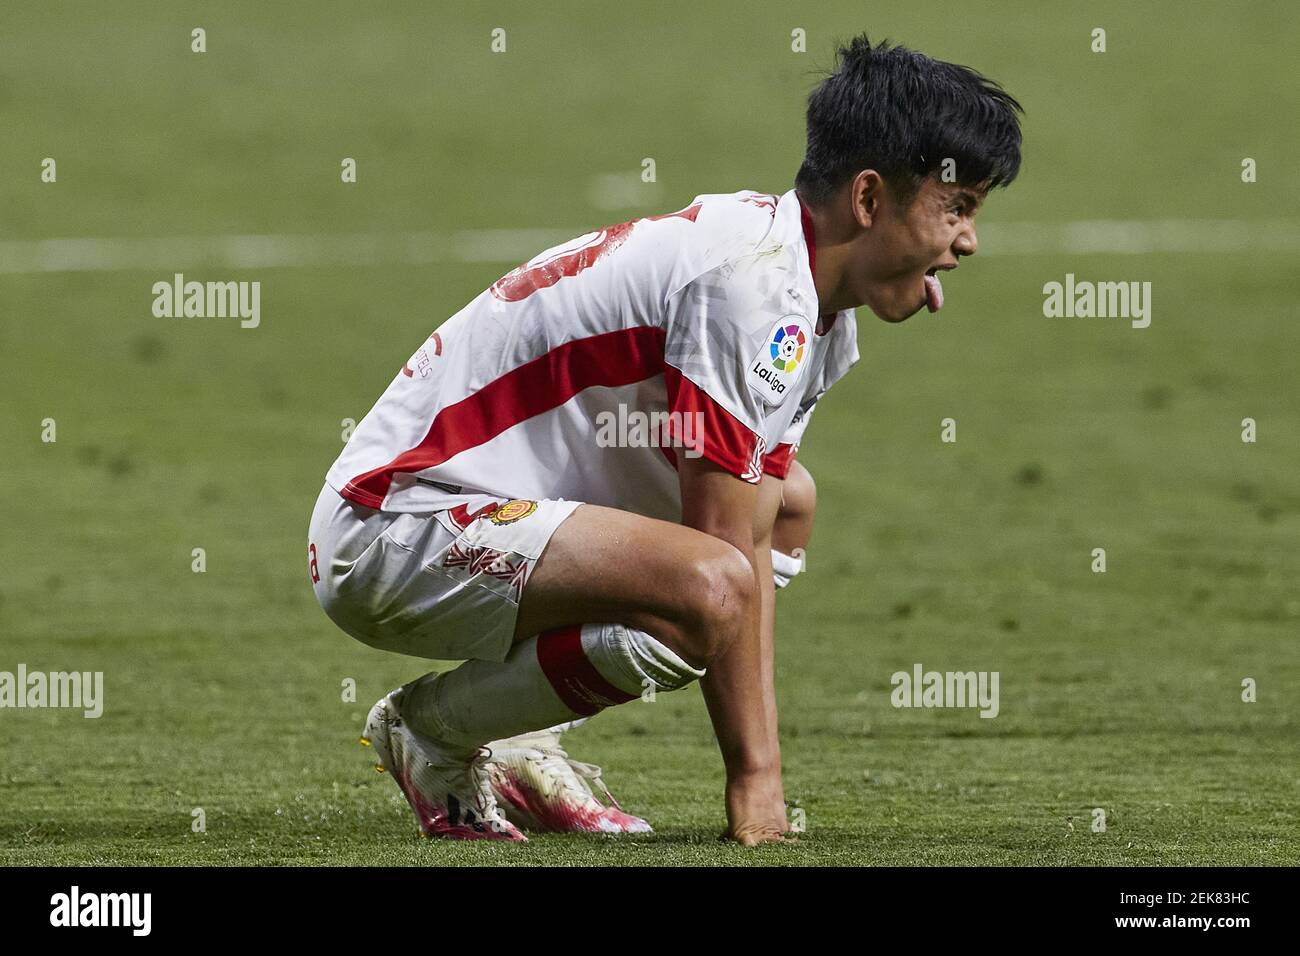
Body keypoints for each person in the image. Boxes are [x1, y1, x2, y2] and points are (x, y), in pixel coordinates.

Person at [308, 33, 1022, 844]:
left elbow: (750, 527)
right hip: (391, 526)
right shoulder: (751, 288)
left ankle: (514, 734)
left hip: (473, 509)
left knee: (785, 507)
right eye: (957, 209)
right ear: (868, 199)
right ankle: (437, 731)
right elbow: (721, 559)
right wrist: (756, 784)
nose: (969, 241)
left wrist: (763, 774)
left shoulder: (801, 296)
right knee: (709, 588)